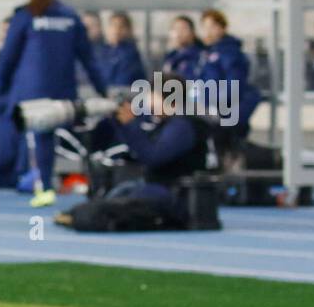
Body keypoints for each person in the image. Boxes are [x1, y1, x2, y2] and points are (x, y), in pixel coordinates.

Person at [0, 0, 107, 206]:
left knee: (34, 133)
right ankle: (39, 180)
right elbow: (87, 57)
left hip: (30, 88)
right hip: (61, 88)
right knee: (44, 134)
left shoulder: (26, 15)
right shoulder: (69, 16)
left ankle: (38, 182)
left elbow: (9, 55)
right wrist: (102, 88)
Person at [57, 72, 211, 230]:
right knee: (119, 193)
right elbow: (139, 150)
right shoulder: (168, 123)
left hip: (176, 194)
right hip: (159, 186)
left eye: (153, 97)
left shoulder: (182, 126)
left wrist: (131, 124)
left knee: (124, 202)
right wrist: (118, 122)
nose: (148, 103)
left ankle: (88, 216)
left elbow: (153, 157)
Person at [195, 8, 260, 149]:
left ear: (221, 28)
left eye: (212, 27)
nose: (207, 32)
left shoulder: (230, 53)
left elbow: (233, 85)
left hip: (222, 111)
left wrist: (213, 105)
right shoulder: (207, 52)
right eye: (204, 27)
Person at [94, 11, 145, 93]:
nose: (116, 30)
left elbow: (123, 81)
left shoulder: (131, 54)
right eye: (113, 26)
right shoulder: (101, 51)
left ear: (128, 30)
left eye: (121, 27)